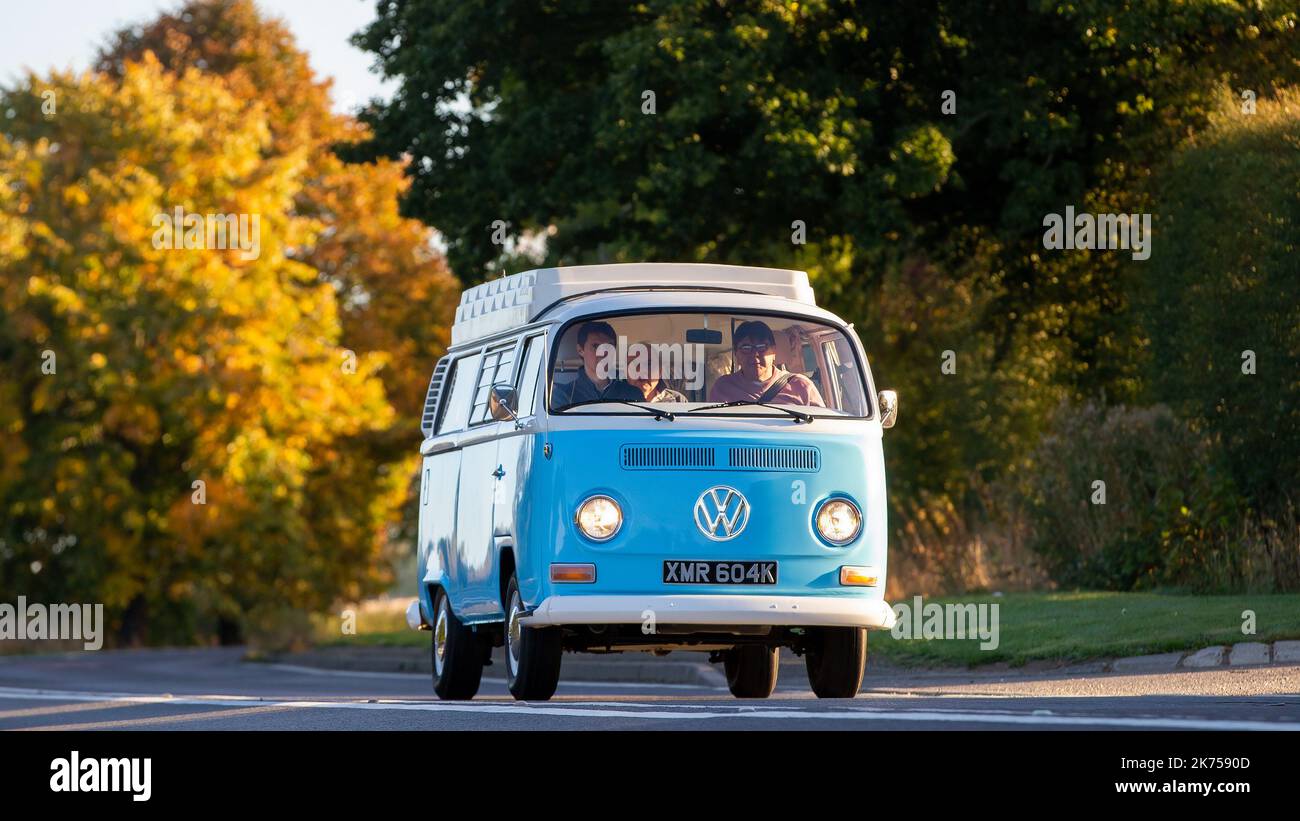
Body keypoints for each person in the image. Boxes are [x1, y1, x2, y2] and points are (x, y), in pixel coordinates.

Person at [708, 320, 825, 407]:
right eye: (746, 347)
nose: (755, 354)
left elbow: (820, 429)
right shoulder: (723, 387)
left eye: (761, 347)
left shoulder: (801, 386)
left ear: (774, 351)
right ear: (736, 354)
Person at [551, 320, 642, 408]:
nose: (604, 353)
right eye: (596, 346)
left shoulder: (633, 394)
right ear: (580, 350)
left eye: (609, 346)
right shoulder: (563, 396)